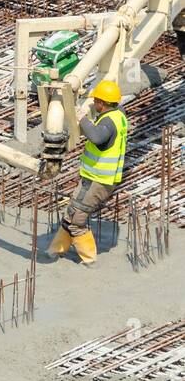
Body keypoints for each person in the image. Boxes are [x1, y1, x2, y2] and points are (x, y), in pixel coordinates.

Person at [49, 78, 129, 266]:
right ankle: (55, 250)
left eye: (96, 101)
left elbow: (96, 136)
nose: (93, 103)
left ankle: (89, 260)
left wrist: (82, 118)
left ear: (102, 102)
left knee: (77, 219)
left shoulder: (109, 123)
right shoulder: (119, 113)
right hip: (95, 178)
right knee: (71, 213)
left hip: (99, 180)